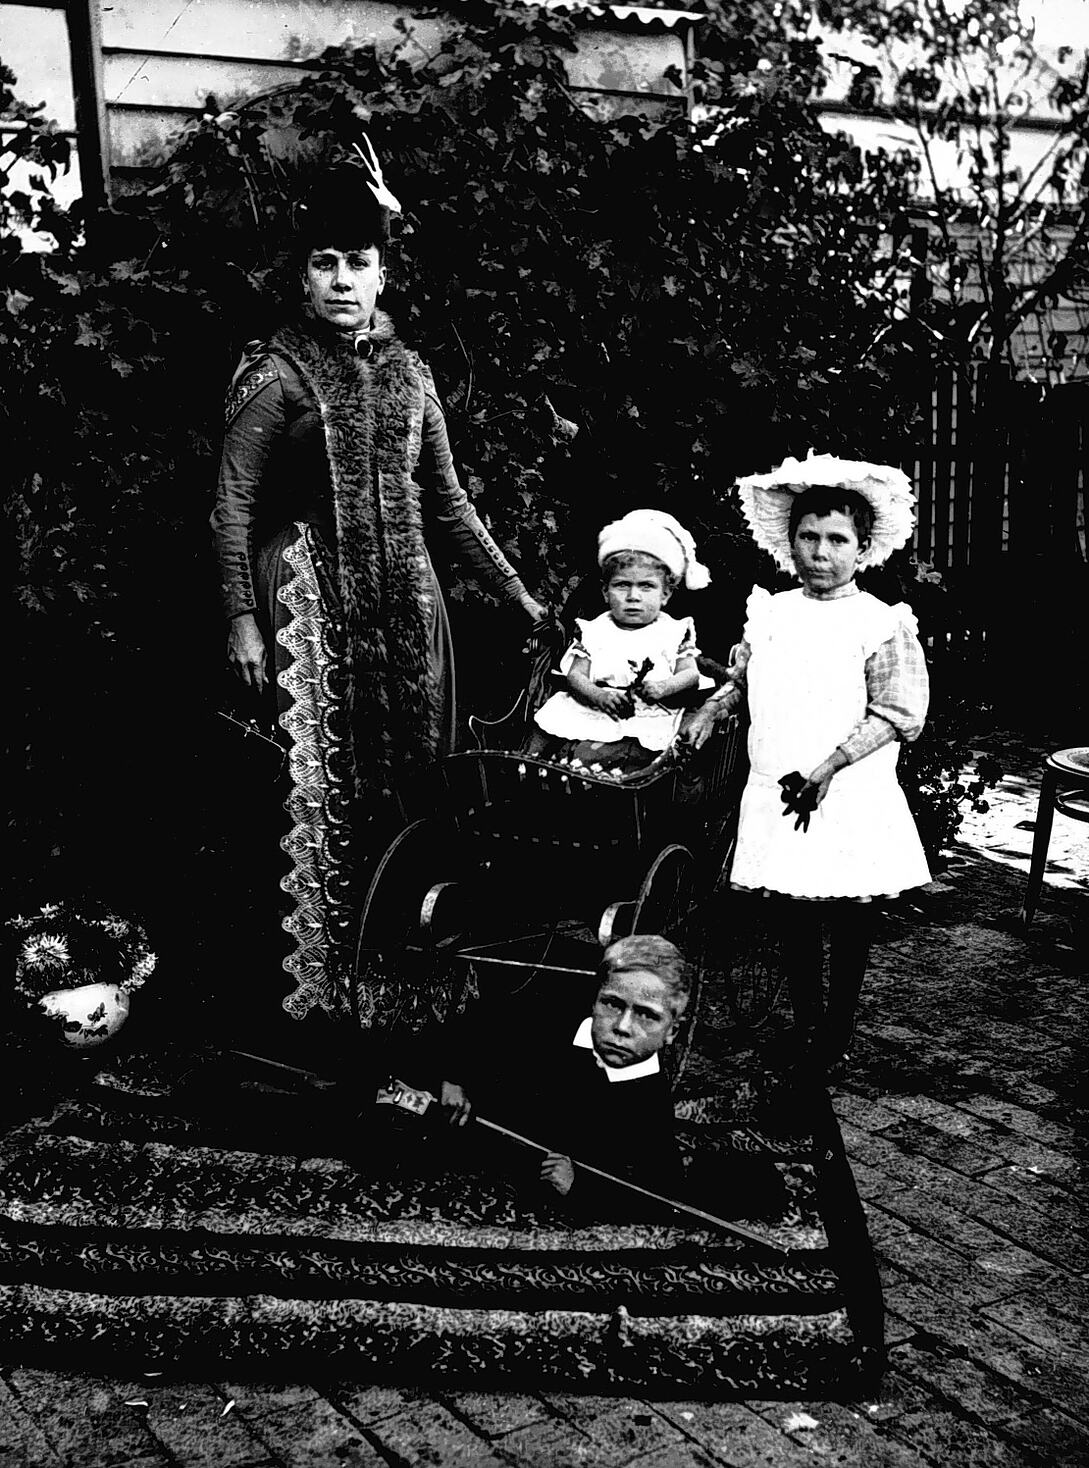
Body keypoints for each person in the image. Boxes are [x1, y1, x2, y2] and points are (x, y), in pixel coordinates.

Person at [211, 149, 546, 1039]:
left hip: (409, 607)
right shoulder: (274, 372)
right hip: (309, 606)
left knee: (414, 786)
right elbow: (231, 503)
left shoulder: (412, 374)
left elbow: (449, 503)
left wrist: (520, 600)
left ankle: (404, 983)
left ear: (383, 274)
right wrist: (242, 619)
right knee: (321, 789)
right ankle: (323, 991)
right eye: (323, 263)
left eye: (357, 262)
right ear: (301, 277)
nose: (340, 280)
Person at [687, 453, 930, 1074]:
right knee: (792, 908)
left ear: (863, 547)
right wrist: (712, 709)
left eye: (837, 540)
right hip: (780, 784)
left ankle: (835, 1031)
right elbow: (745, 681)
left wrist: (829, 767)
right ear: (790, 542)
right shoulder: (773, 613)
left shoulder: (880, 622)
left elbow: (897, 713)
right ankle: (806, 1022)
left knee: (849, 914)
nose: (821, 553)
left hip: (847, 790)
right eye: (808, 537)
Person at [475, 934, 689, 1212]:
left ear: (671, 1031)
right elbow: (478, 1029)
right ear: (594, 999)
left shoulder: (651, 1099)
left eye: (646, 1015)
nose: (622, 1027)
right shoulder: (548, 1020)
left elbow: (663, 1196)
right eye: (612, 1004)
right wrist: (453, 1078)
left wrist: (578, 1188)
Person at [528, 509, 710, 769]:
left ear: (666, 594)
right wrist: (598, 695)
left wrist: (664, 687)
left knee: (644, 754)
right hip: (596, 707)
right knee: (552, 726)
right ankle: (536, 771)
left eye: (647, 586)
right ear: (605, 591)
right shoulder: (594, 630)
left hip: (649, 713)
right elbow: (576, 675)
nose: (633, 596)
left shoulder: (674, 631)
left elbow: (690, 675)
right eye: (622, 585)